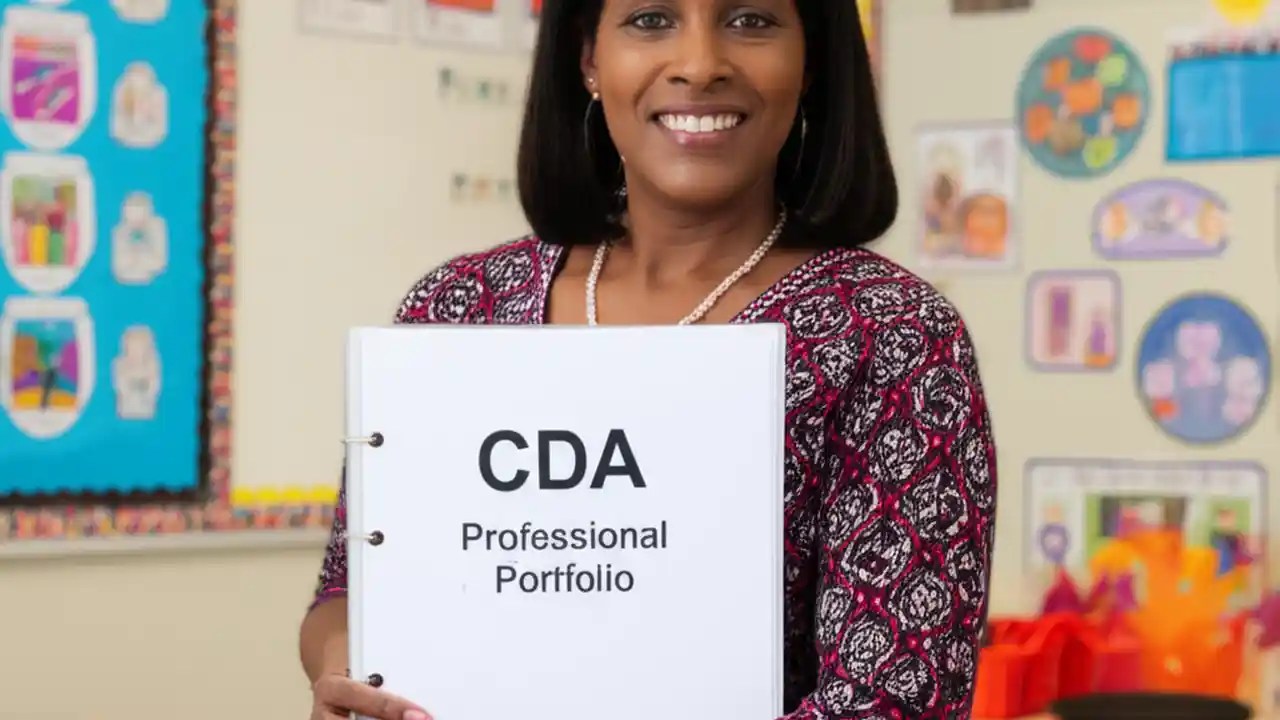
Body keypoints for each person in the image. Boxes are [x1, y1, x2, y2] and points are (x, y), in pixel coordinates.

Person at [300, 1, 998, 718]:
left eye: (752, 20)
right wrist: (353, 670)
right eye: (651, 19)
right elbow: (350, 587)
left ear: (811, 61)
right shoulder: (457, 307)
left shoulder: (892, 334)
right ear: (588, 59)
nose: (699, 64)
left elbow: (894, 701)